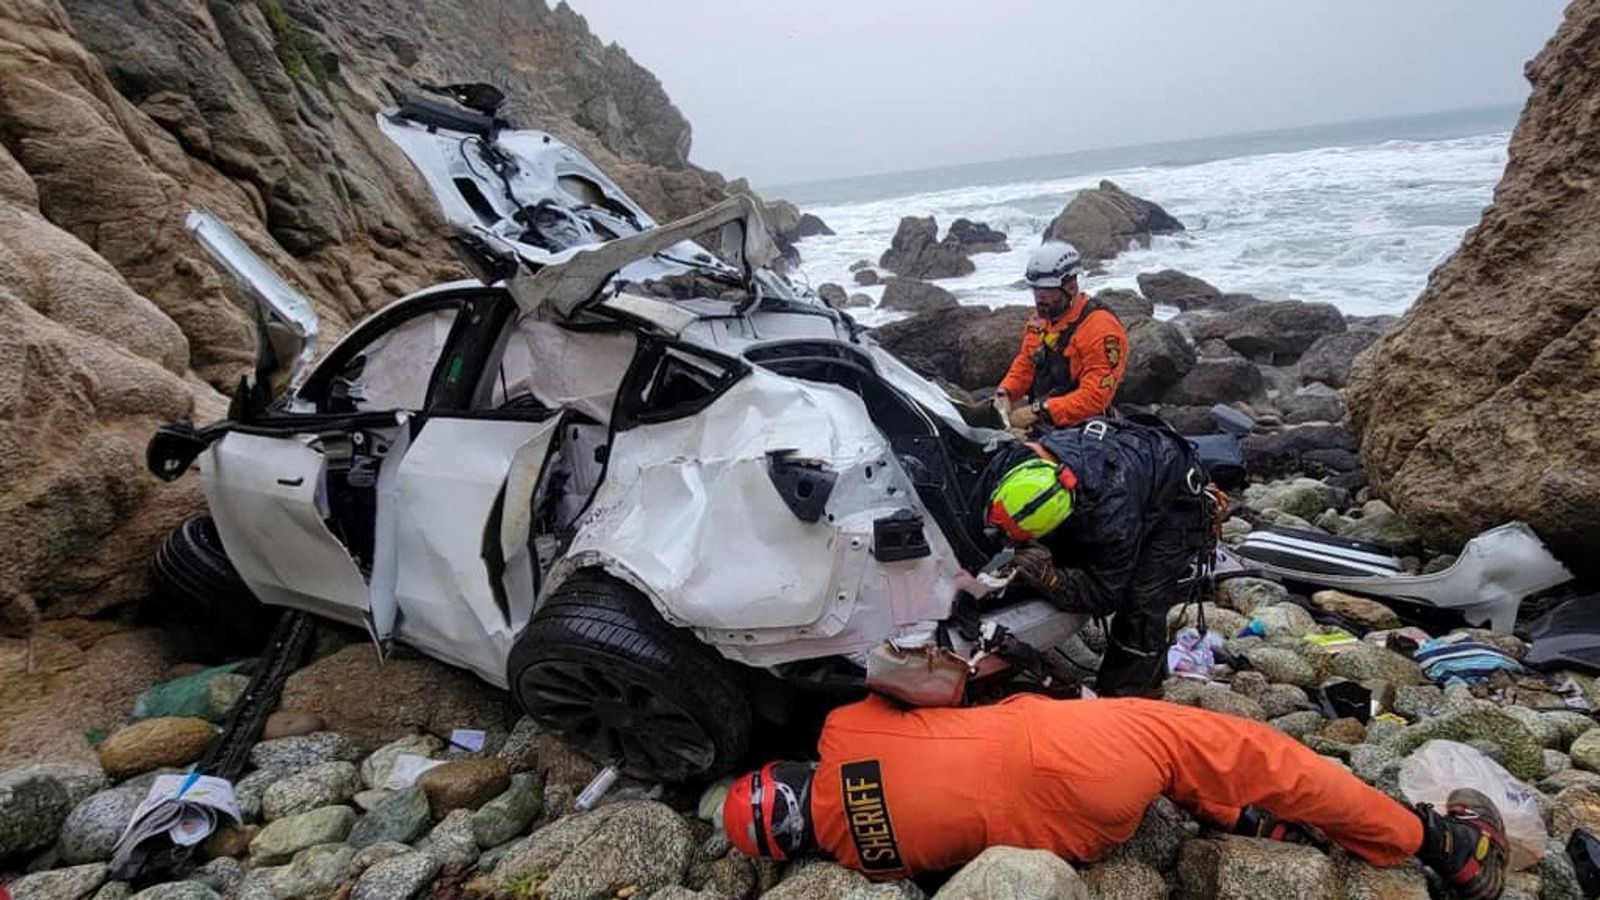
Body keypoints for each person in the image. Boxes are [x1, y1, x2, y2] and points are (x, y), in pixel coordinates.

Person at [722, 693, 1507, 900]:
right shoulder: (843, 731)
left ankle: (1252, 825)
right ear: (786, 773)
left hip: (1088, 835)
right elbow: (936, 684)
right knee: (1252, 751)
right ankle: (1444, 847)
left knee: (1177, 776)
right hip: (1075, 752)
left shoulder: (871, 861)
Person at [974, 417, 1211, 696]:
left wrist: (1051, 579)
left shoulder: (1111, 522)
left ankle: (1128, 695)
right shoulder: (1013, 462)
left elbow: (1105, 593)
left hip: (1175, 499)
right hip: (1126, 459)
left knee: (1142, 604)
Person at [995, 240, 1129, 431]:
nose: (1039, 298)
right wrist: (1005, 393)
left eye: (1047, 291)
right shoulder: (1041, 320)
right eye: (1036, 290)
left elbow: (1095, 397)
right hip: (1045, 418)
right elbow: (1026, 363)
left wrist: (1039, 411)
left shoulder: (1100, 329)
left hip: (1086, 426)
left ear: (1071, 288)